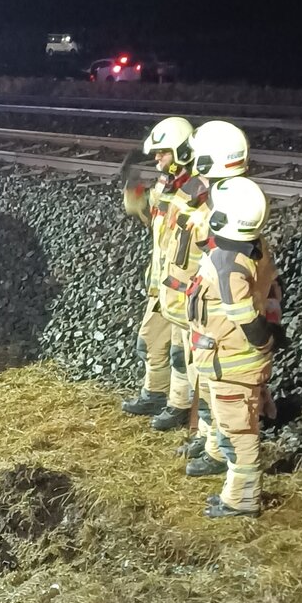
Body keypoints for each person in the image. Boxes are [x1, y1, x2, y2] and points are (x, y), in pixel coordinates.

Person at [186, 176, 279, 518]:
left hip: (231, 365)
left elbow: (247, 321)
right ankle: (235, 492)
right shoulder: (251, 247)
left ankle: (242, 500)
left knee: (238, 434)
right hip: (230, 361)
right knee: (232, 429)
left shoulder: (228, 264)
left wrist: (264, 344)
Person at [152, 119, 250, 434]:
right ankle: (199, 429)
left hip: (205, 306)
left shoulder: (225, 203)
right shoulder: (196, 190)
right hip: (188, 299)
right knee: (187, 362)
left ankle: (211, 439)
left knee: (208, 375)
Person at [120, 116, 195, 418]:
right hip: (162, 284)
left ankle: (179, 406)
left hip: (182, 287)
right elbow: (148, 212)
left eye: (163, 152)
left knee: (179, 352)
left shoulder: (196, 191)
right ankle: (154, 394)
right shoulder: (168, 184)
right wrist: (132, 186)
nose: (157, 158)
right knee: (150, 341)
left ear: (181, 152)